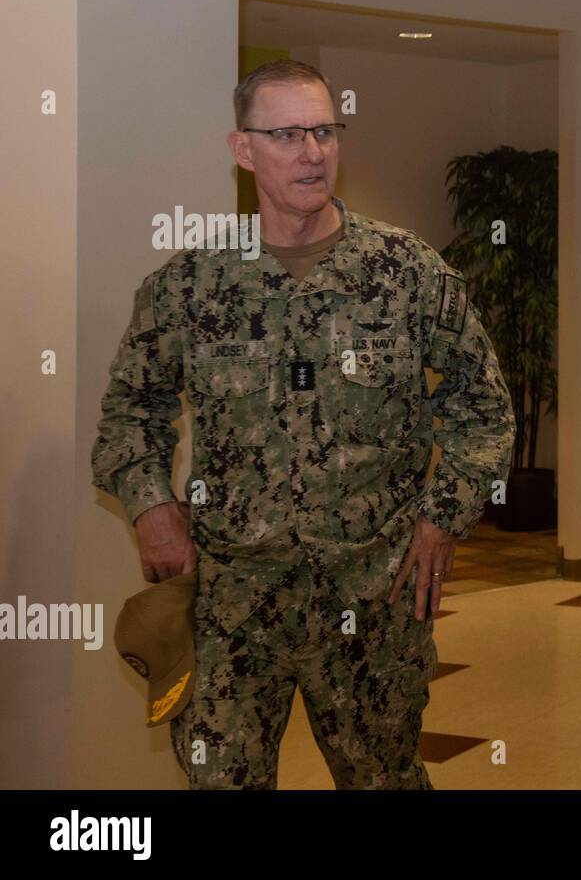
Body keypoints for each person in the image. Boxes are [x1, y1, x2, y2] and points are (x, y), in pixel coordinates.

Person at [91, 59, 514, 789]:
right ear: (243, 149)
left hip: (373, 601)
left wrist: (442, 518)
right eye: (286, 134)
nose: (312, 151)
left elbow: (483, 406)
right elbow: (131, 411)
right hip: (231, 603)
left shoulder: (406, 272)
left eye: (324, 130)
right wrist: (153, 509)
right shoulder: (191, 285)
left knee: (383, 780)